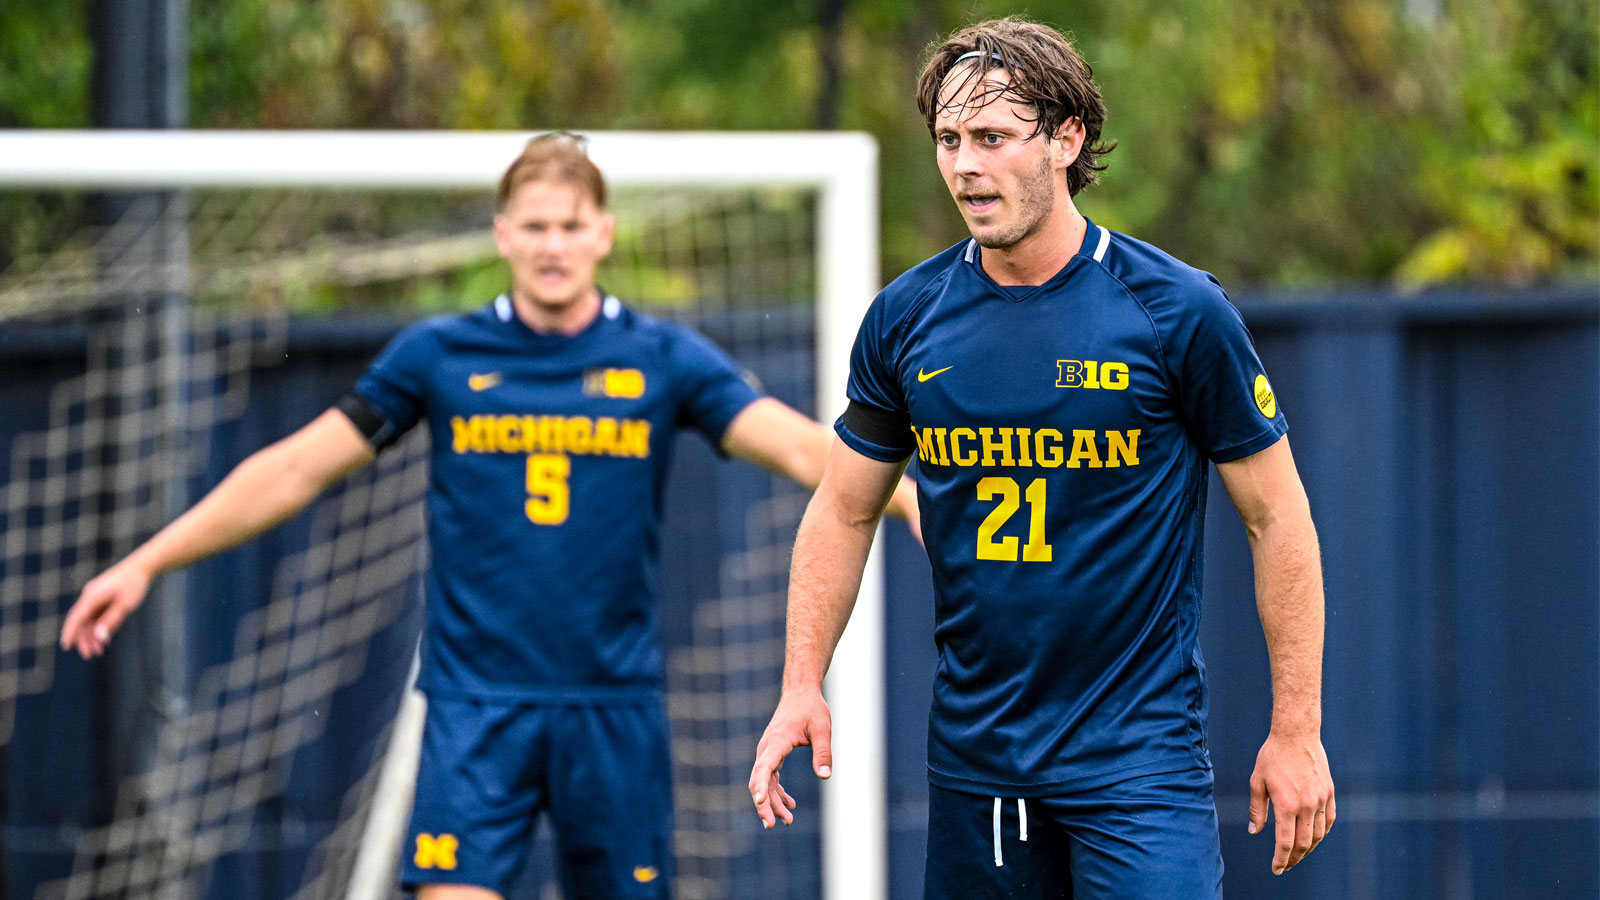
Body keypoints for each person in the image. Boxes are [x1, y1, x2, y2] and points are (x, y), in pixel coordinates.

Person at [60, 133, 919, 900]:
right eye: (535, 226)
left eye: (571, 226)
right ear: (503, 234)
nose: (553, 246)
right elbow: (293, 468)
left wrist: (912, 499)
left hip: (612, 707)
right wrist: (145, 563)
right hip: (477, 706)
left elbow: (808, 452)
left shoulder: (663, 359)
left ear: (604, 235)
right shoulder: (439, 355)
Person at [749, 17, 1333, 898]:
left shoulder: (1175, 311)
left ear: (1067, 139)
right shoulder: (906, 319)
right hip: (979, 763)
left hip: (1138, 762)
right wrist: (801, 682)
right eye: (948, 140)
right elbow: (843, 506)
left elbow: (1277, 514)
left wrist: (1297, 728)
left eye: (991, 138)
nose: (964, 165)